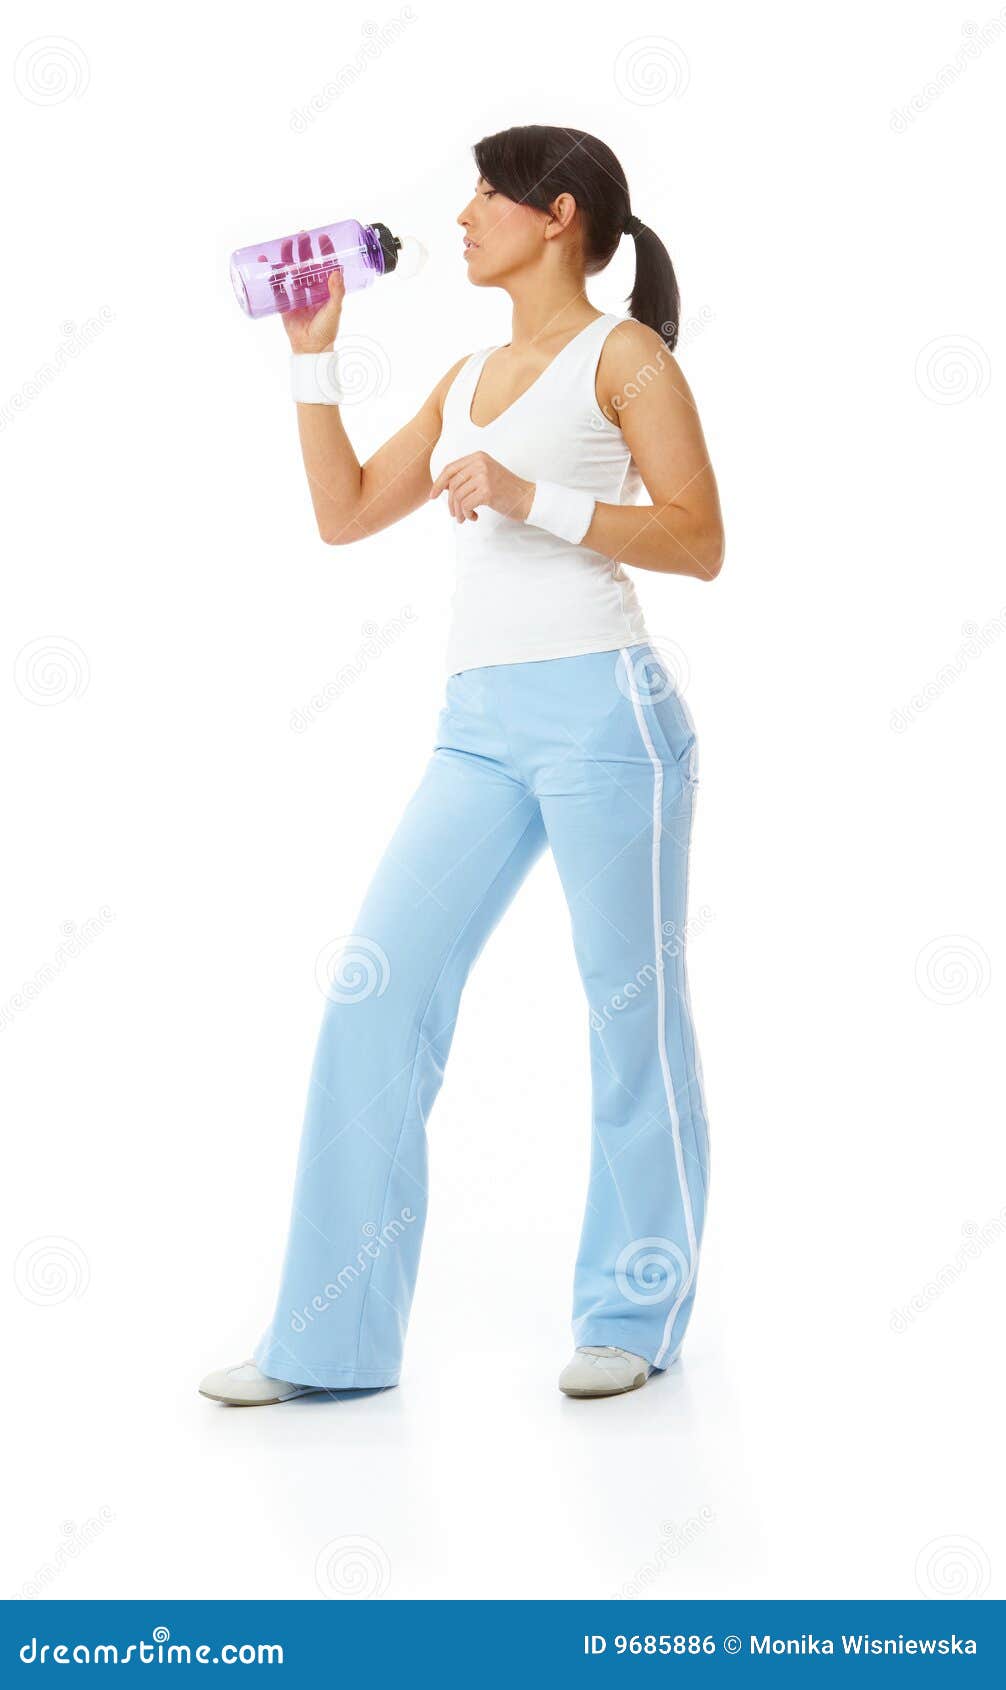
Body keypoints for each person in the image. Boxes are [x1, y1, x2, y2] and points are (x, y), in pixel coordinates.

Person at [200, 124, 724, 1408]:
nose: (467, 210)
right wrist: (314, 364)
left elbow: (699, 538)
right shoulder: (469, 370)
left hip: (607, 715)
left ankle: (631, 1314)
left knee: (627, 1013)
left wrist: (527, 494)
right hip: (477, 727)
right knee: (375, 995)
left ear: (557, 217)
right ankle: (327, 1344)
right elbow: (344, 515)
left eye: (490, 191)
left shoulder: (628, 356)